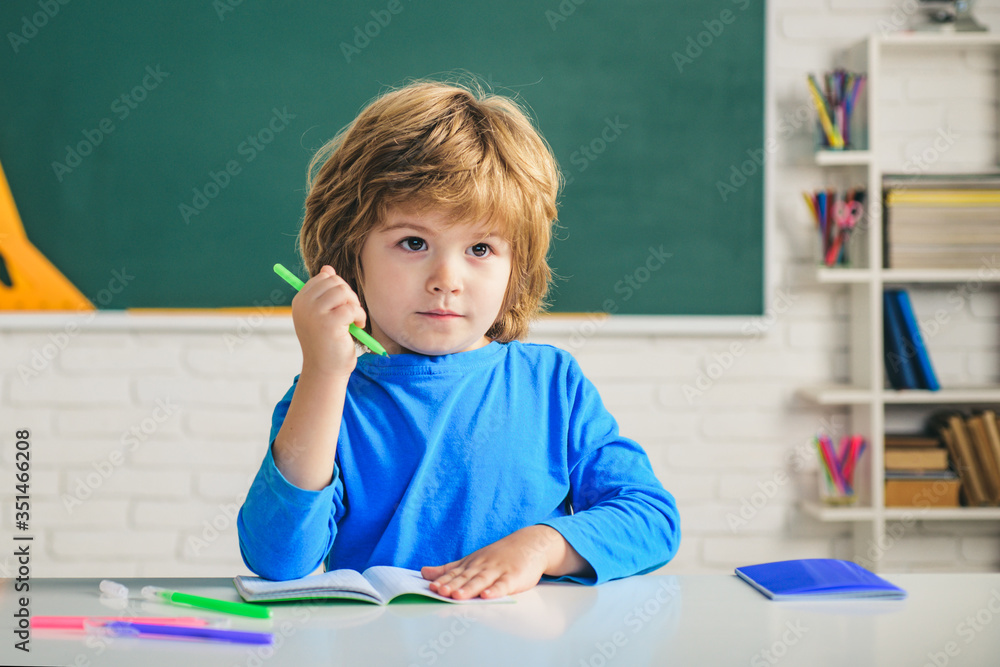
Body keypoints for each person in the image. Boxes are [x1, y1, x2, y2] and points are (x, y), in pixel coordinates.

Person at [237, 78, 680, 600]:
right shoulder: (328, 395)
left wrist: (541, 546)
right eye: (413, 242)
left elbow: (652, 520)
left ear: (516, 269)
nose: (446, 279)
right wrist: (324, 373)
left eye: (480, 249)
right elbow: (279, 560)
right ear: (351, 253)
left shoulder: (552, 384)